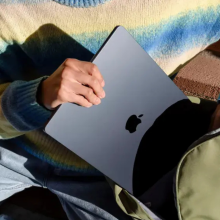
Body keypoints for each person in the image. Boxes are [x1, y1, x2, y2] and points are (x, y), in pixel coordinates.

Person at [0, 0, 220, 219]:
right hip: (18, 149)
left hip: (114, 175)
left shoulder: (192, 5)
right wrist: (36, 97)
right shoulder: (8, 9)